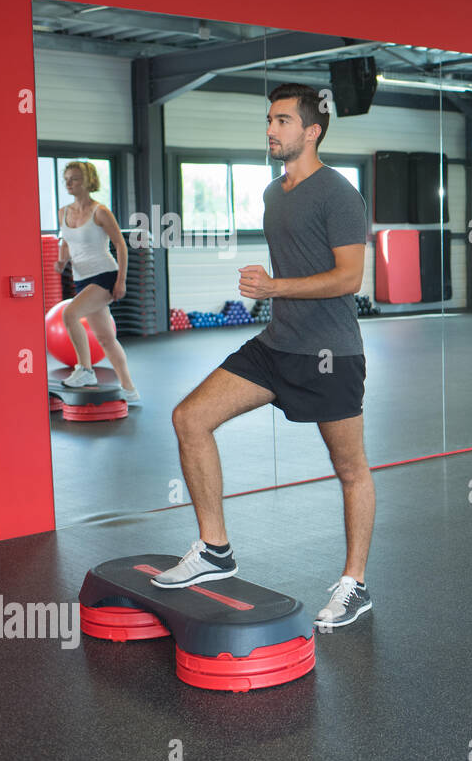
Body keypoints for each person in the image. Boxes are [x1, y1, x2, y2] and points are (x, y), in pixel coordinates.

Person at [154, 83, 375, 630]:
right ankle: (214, 550)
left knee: (349, 470)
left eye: (281, 121)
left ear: (311, 130)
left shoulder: (340, 194)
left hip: (329, 353)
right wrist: (274, 291)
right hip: (276, 346)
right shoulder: (273, 193)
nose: (271, 129)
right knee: (190, 417)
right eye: (269, 120)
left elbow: (350, 277)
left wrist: (275, 287)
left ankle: (355, 584)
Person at [55, 161, 141, 402]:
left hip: (104, 275)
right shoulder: (63, 212)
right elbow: (66, 241)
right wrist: (61, 262)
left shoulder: (100, 211)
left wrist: (121, 281)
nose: (69, 183)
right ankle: (129, 389)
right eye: (67, 179)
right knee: (105, 338)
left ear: (88, 182)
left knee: (69, 314)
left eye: (74, 179)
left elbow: (121, 246)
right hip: (81, 279)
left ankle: (85, 370)